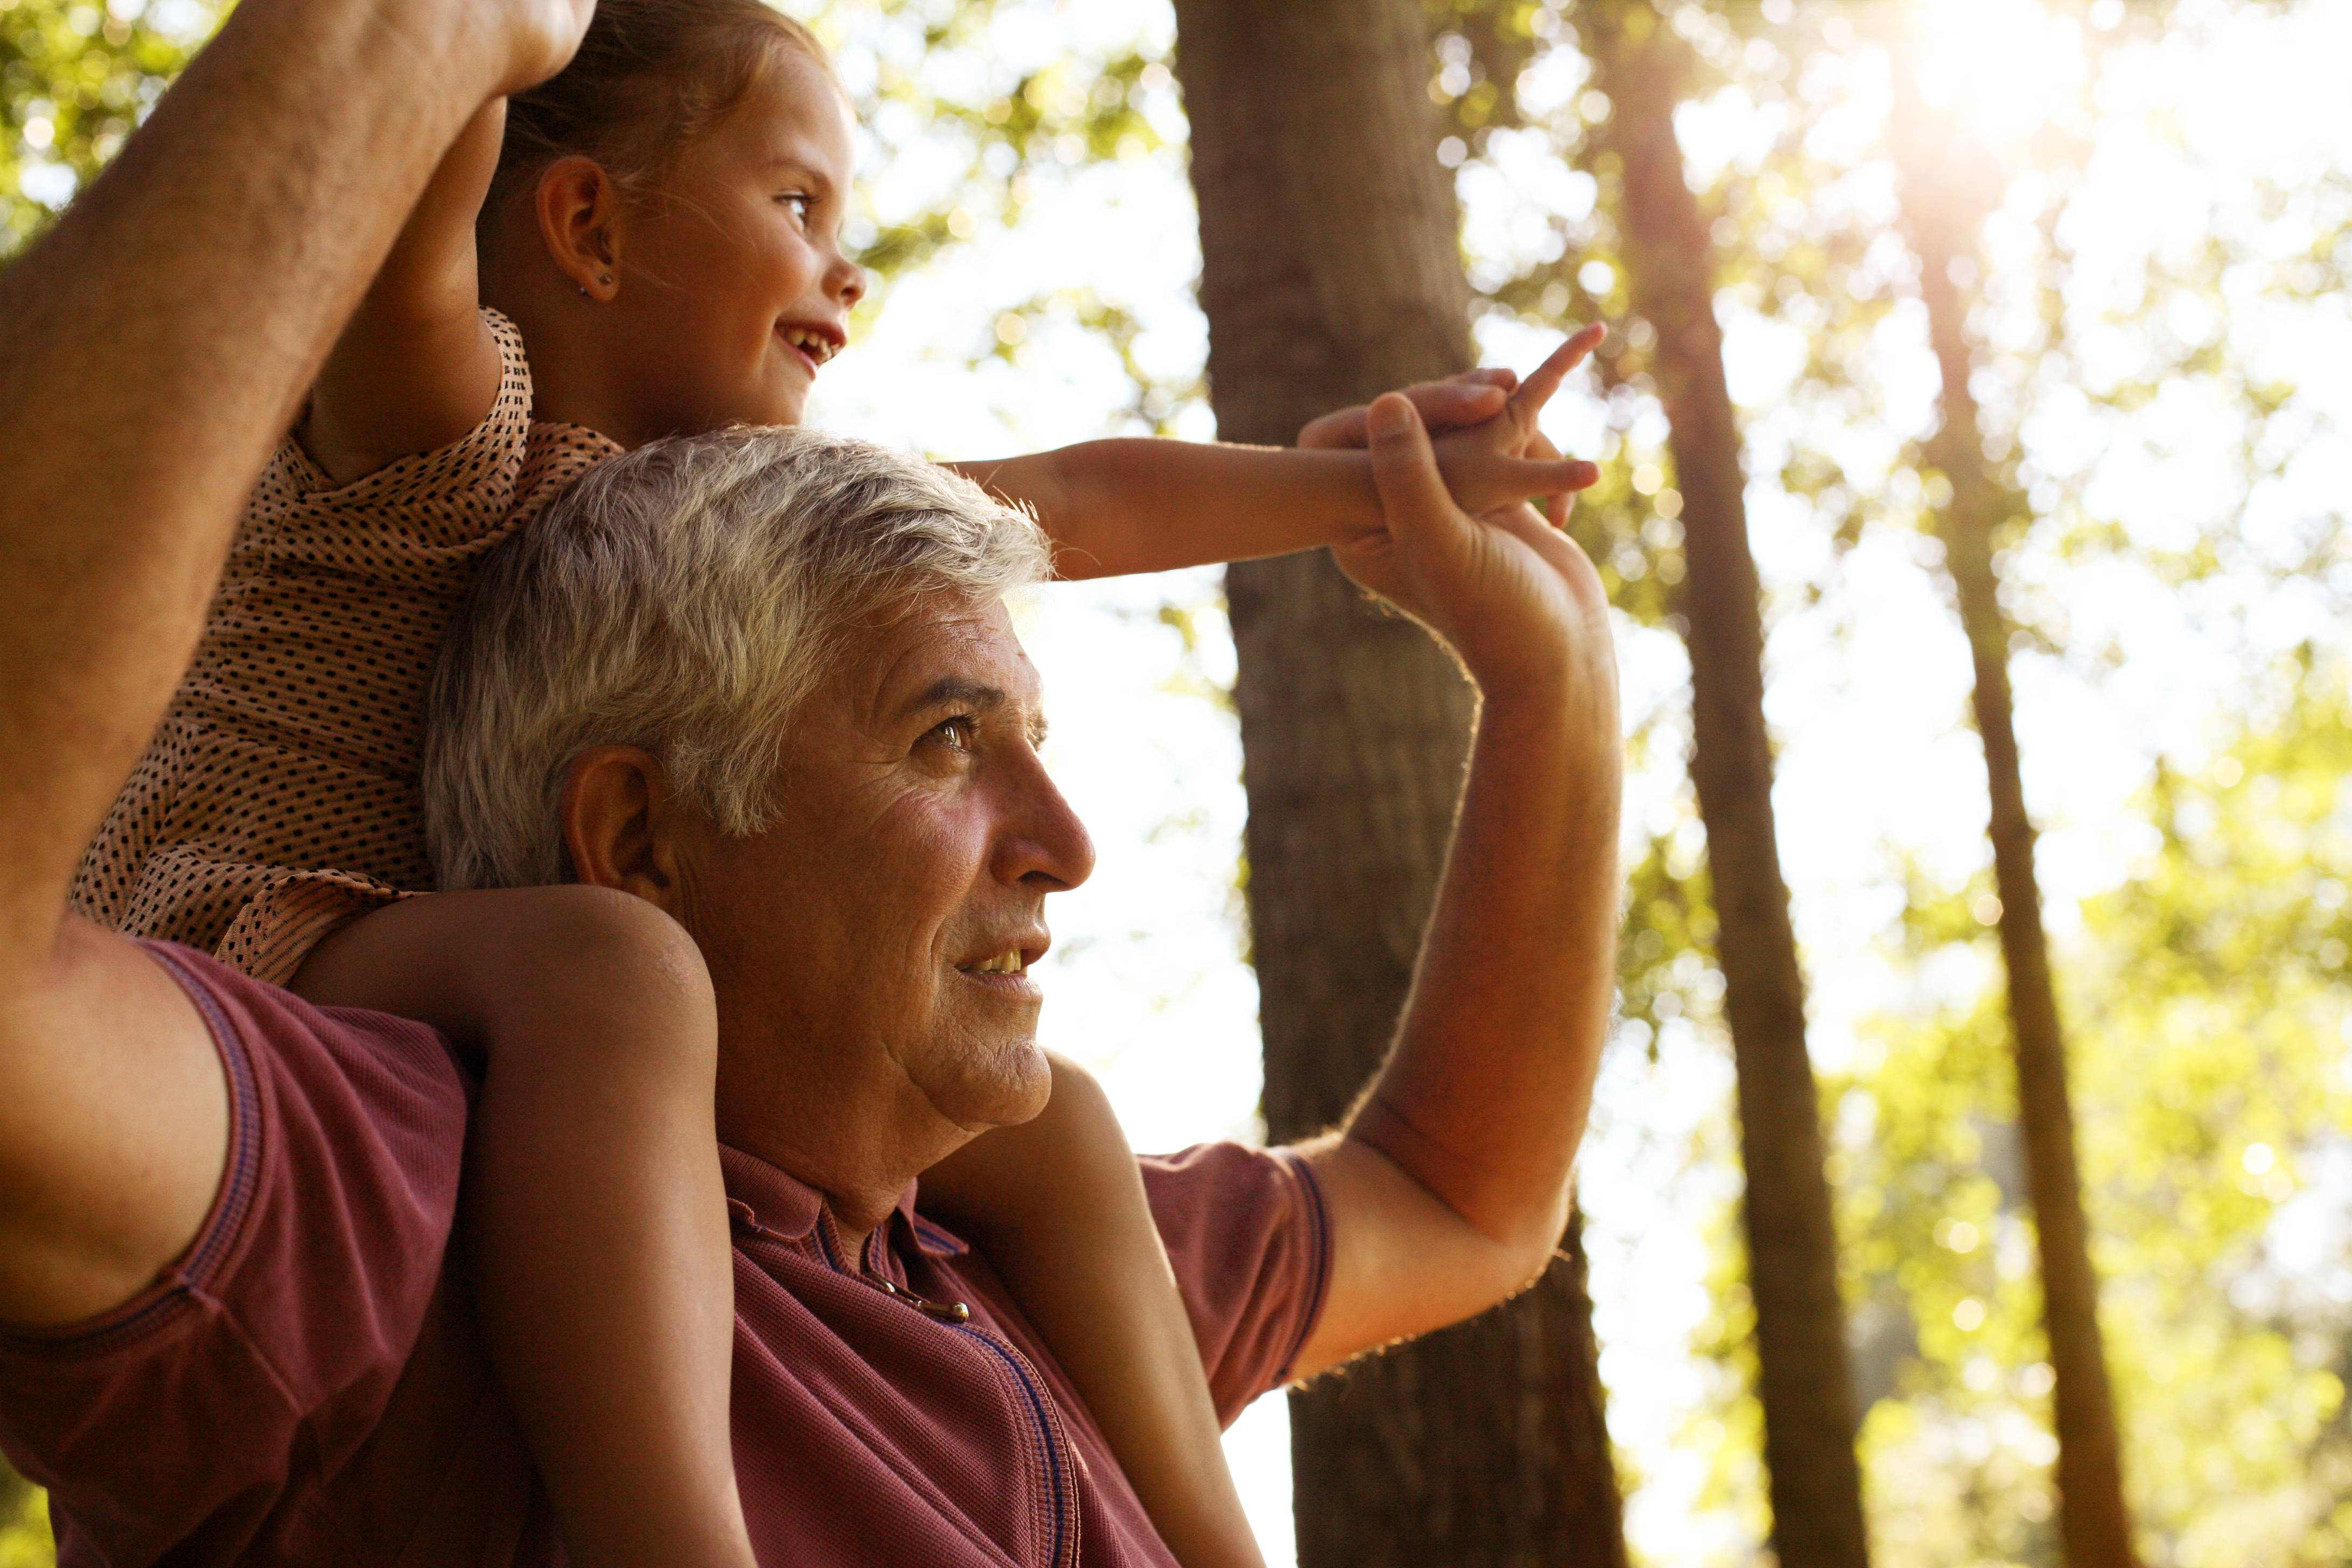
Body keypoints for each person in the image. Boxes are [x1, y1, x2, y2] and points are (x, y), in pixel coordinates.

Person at [0, 0, 1619, 1561]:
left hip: (530, 986)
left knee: (1051, 1123)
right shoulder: (446, 435)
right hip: (259, 934)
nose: (1066, 847)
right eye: (945, 737)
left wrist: (1413, 523)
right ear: (586, 227)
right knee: (614, 982)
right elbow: (396, 203)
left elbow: (1460, 1201)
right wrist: (443, 40)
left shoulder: (980, 1229)